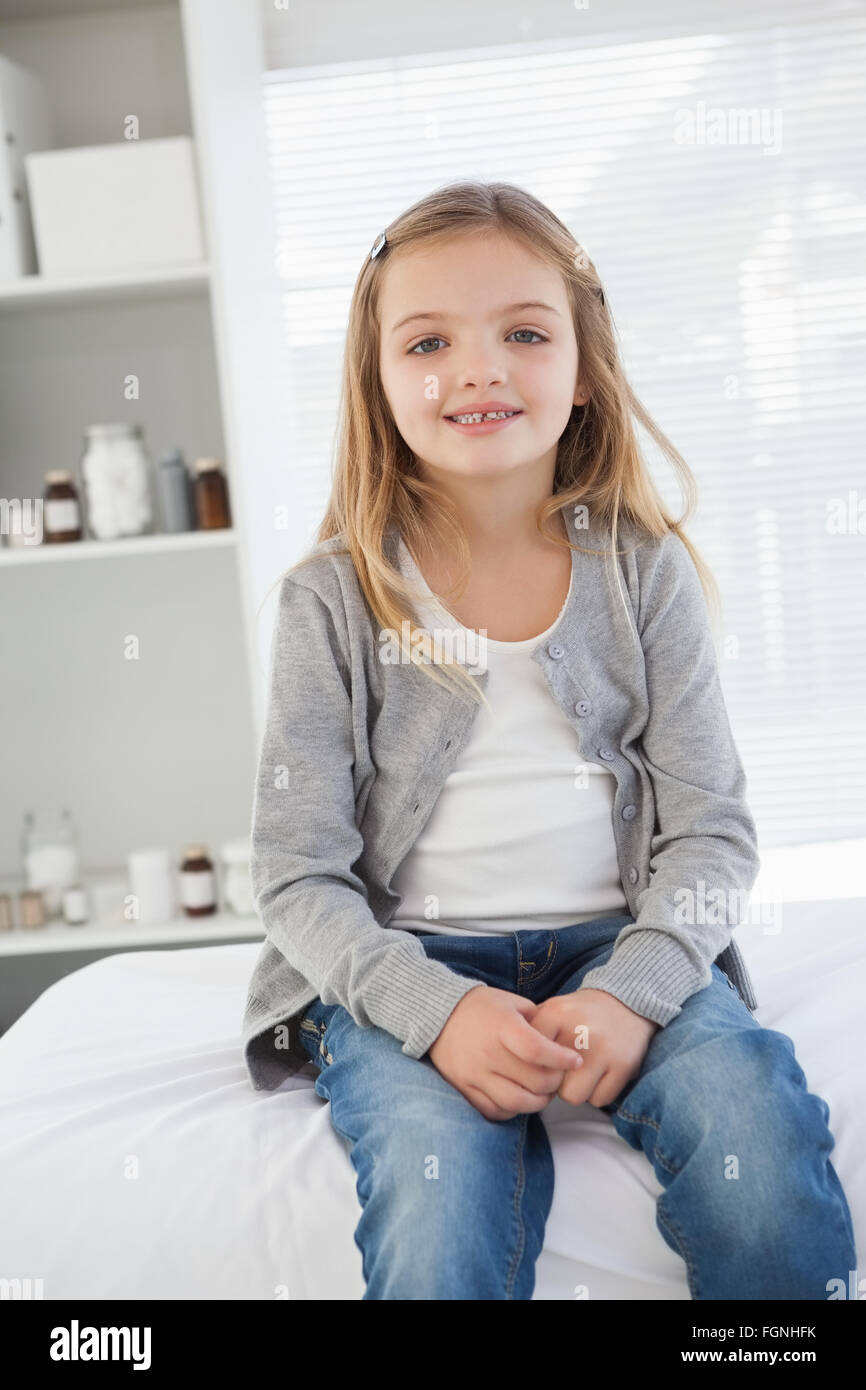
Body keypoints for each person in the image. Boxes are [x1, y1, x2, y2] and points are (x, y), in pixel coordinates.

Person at [243, 180, 857, 1300]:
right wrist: (437, 1011)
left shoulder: (642, 568)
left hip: (612, 948)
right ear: (377, 384)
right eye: (427, 340)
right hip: (407, 964)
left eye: (522, 333)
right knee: (435, 1218)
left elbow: (710, 832)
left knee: (758, 1156)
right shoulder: (329, 601)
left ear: (581, 370)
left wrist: (636, 988)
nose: (477, 368)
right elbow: (295, 875)